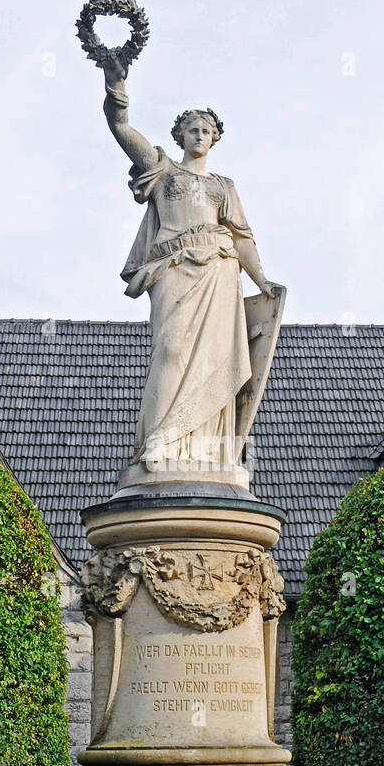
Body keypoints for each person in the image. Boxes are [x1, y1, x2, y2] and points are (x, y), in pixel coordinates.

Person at [102, 56, 274, 480]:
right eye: (193, 129)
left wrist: (262, 280)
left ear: (215, 140)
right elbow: (121, 129)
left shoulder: (223, 186)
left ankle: (209, 453)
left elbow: (242, 236)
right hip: (175, 270)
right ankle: (159, 440)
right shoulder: (162, 171)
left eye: (207, 131)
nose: (200, 136)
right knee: (172, 350)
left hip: (219, 270)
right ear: (180, 135)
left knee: (217, 358)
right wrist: (116, 85)